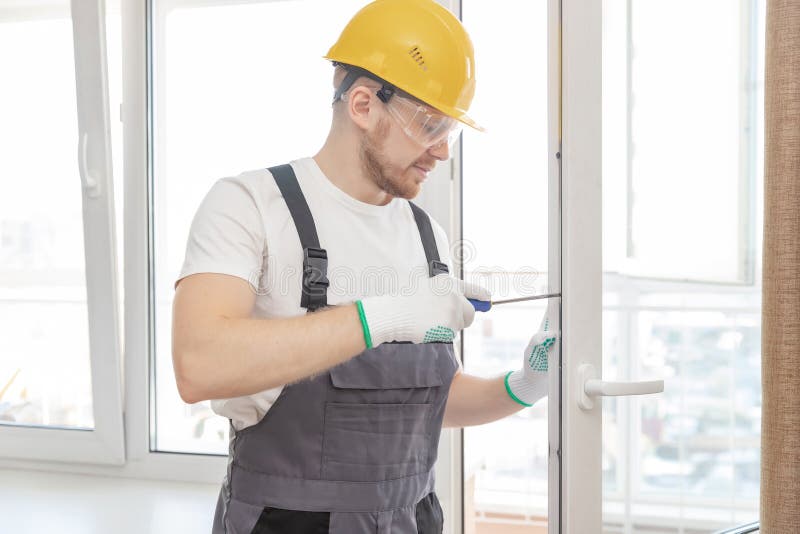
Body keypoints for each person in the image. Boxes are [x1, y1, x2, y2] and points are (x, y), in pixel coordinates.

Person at [171, 0, 558, 532]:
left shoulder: (426, 235)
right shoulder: (250, 205)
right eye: (430, 125)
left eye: (450, 131)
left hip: (412, 519)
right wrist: (385, 315)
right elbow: (199, 364)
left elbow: (422, 402)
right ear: (362, 105)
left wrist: (523, 385)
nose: (442, 151)